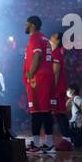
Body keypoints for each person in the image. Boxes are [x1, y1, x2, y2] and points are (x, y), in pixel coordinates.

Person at [24, 15, 55, 151]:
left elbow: (37, 55)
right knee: (45, 111)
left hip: (38, 79)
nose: (25, 26)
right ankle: (48, 142)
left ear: (32, 25)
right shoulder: (44, 38)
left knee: (36, 111)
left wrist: (30, 73)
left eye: (27, 23)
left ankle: (36, 143)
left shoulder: (35, 37)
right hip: (45, 78)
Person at [48, 31, 68, 145]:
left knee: (59, 114)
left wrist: (52, 89)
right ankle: (67, 139)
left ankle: (67, 139)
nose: (50, 37)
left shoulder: (56, 53)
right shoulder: (55, 53)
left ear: (58, 40)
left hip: (57, 89)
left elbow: (55, 73)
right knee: (58, 114)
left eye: (53, 36)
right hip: (58, 88)